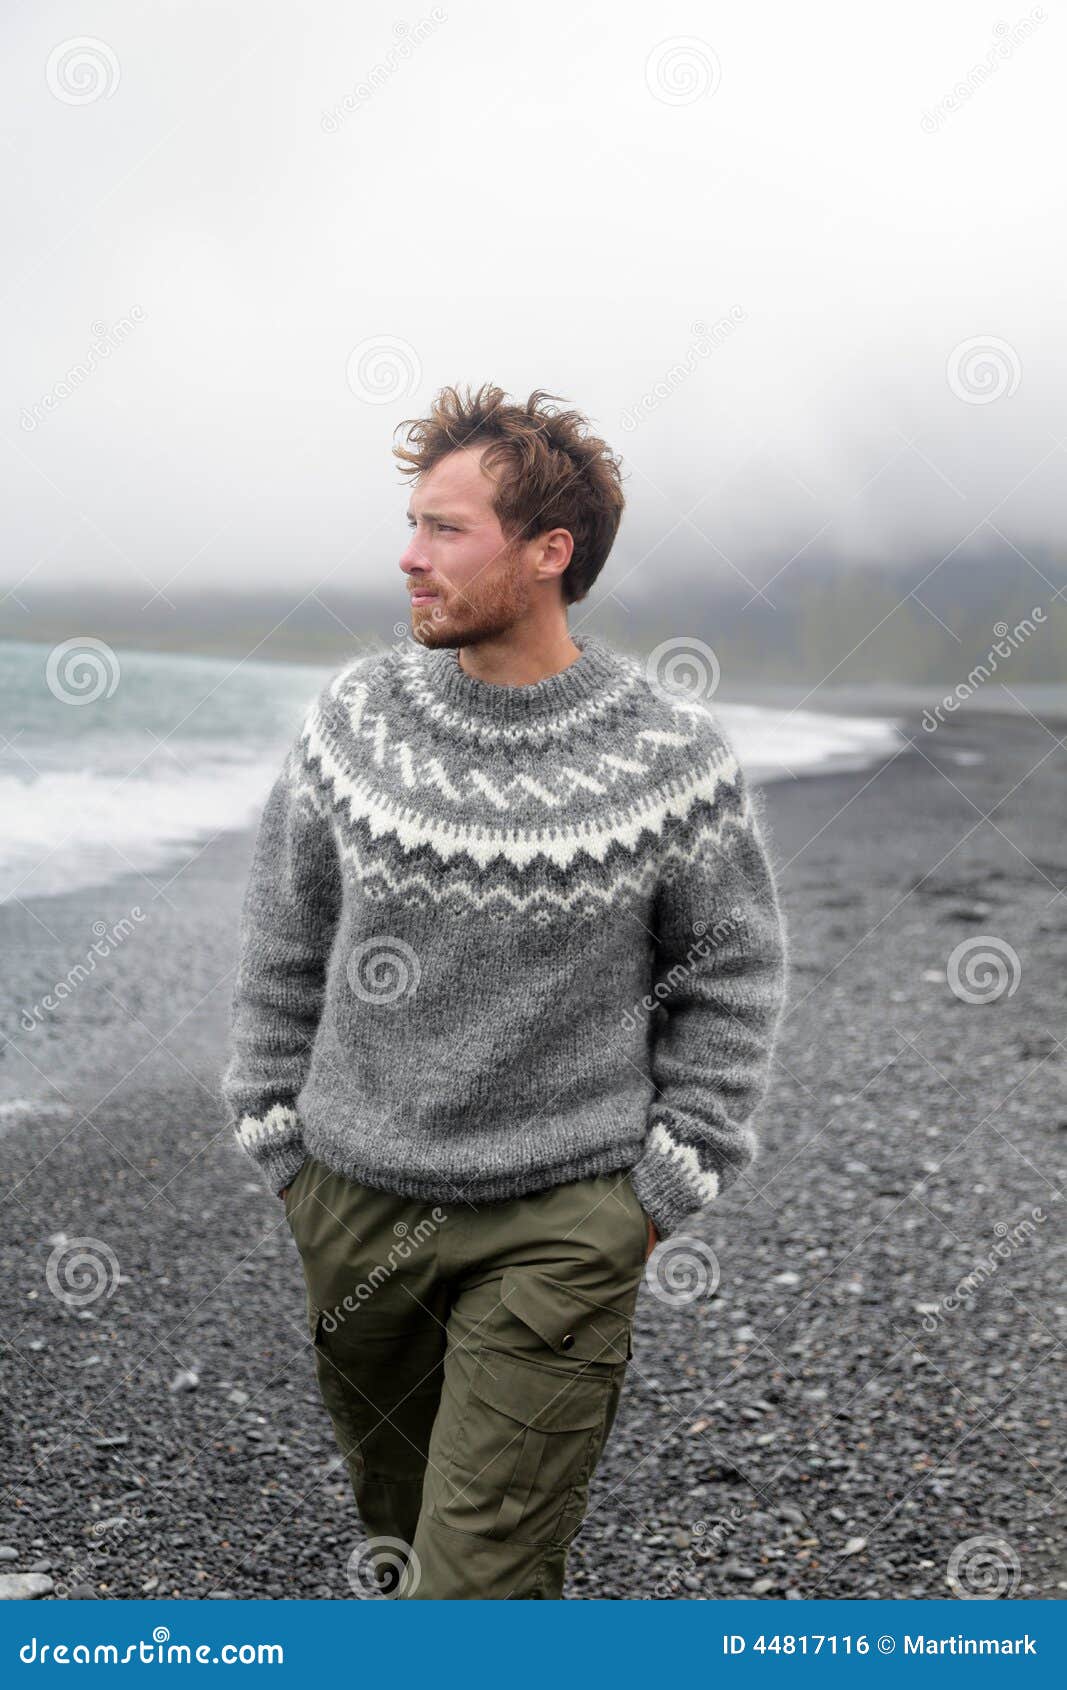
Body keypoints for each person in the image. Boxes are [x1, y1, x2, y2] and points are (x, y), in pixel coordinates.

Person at [221, 382, 789, 1599]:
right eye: (412, 524)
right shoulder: (352, 724)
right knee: (402, 1535)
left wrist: (665, 1178)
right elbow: (285, 940)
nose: (408, 557)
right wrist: (275, 1129)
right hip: (352, 1207)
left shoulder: (669, 760)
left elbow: (732, 968)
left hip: (561, 1219)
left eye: (443, 529)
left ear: (548, 552)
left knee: (473, 1580)